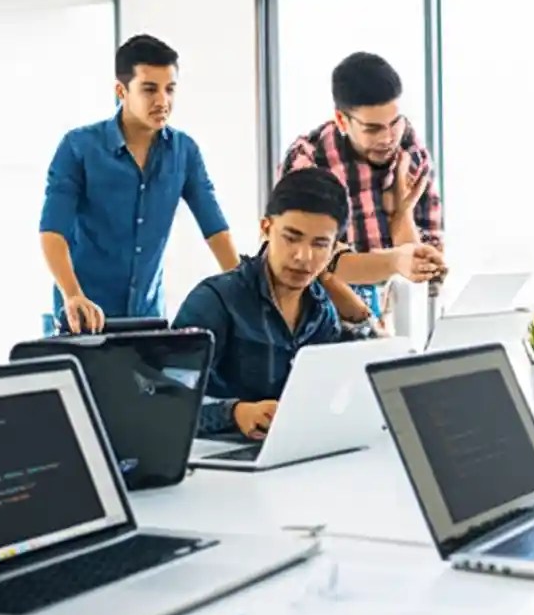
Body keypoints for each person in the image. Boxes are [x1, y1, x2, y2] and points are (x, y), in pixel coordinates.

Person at [40, 34, 239, 334]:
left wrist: (243, 292)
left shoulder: (185, 152)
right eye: (149, 89)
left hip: (148, 321)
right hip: (82, 320)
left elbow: (215, 229)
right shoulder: (78, 147)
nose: (163, 101)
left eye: (169, 89)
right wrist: (72, 294)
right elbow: (53, 232)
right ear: (122, 90)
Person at [171, 168, 348, 439]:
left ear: (335, 247)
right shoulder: (216, 300)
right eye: (291, 237)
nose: (303, 256)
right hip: (216, 458)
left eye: (320, 244)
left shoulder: (323, 313)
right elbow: (167, 397)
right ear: (266, 228)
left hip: (292, 452)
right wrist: (235, 413)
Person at [280, 51, 445, 325]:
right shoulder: (309, 160)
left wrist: (402, 214)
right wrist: (394, 264)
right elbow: (321, 264)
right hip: (322, 321)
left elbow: (425, 271)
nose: (388, 138)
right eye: (373, 129)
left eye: (394, 123)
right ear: (342, 121)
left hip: (396, 322)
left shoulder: (410, 152)